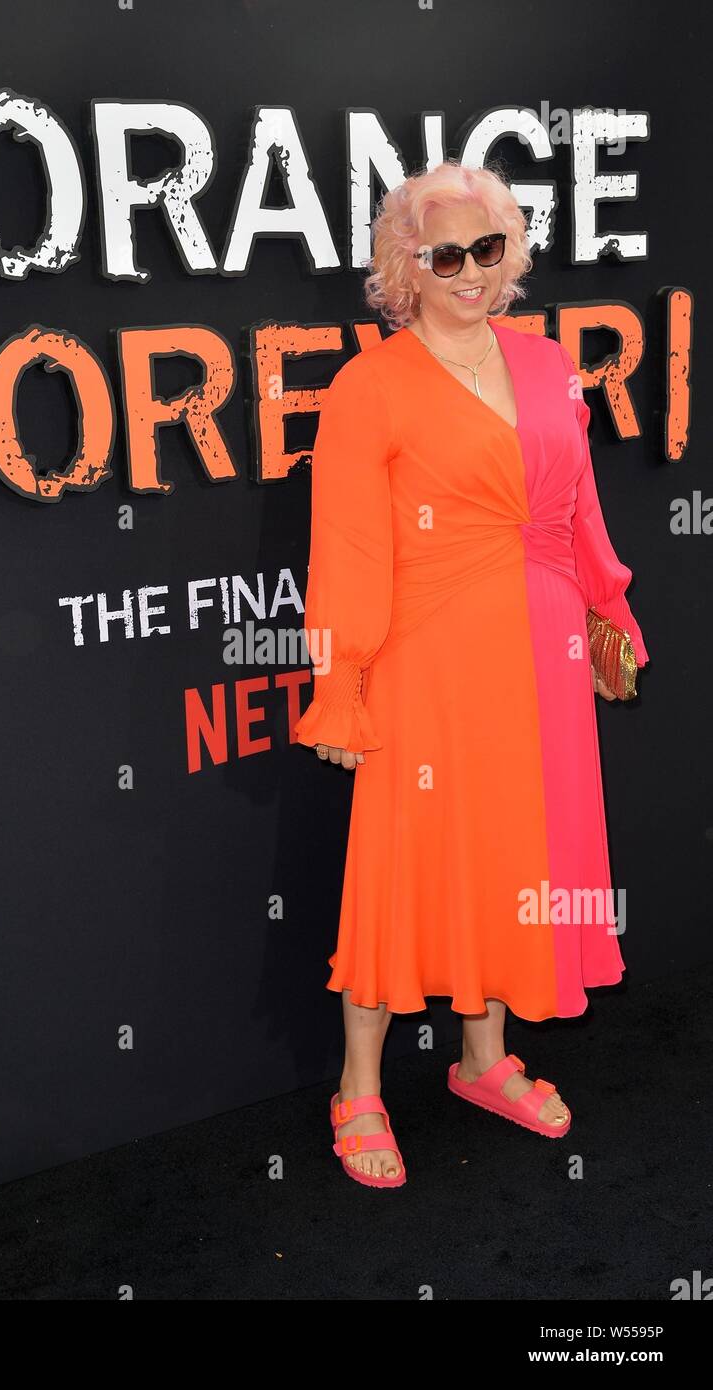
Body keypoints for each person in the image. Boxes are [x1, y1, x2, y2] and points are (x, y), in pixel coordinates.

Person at [293, 159, 650, 1189]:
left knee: (514, 856)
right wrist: (342, 683)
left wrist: (607, 610)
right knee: (404, 865)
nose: (465, 271)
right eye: (441, 254)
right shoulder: (370, 386)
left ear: (510, 255)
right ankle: (357, 1086)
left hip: (544, 654)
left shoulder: (547, 367)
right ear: (404, 268)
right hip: (427, 658)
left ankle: (482, 1058)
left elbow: (577, 507)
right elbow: (349, 551)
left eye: (484, 250)